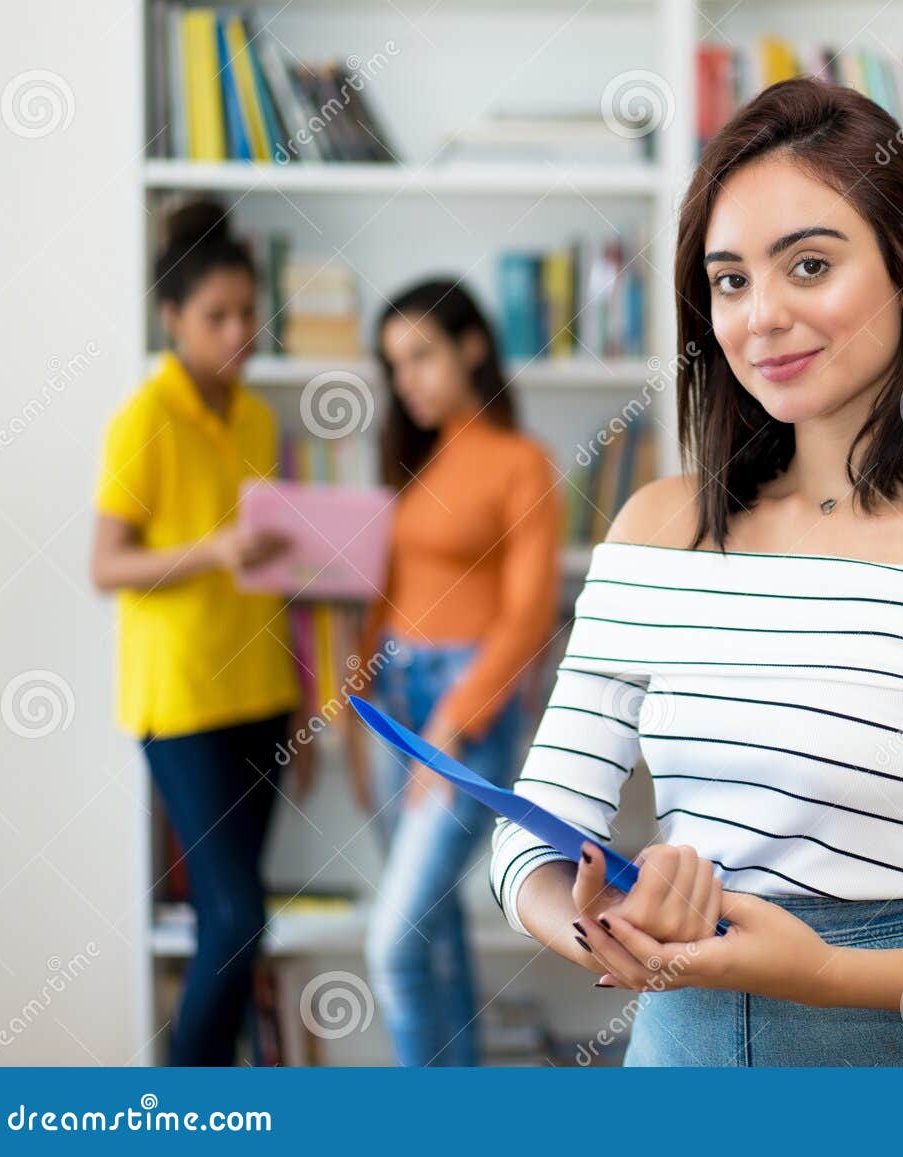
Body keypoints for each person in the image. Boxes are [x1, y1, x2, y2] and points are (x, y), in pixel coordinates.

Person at [488, 78, 903, 1067]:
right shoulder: (657, 530)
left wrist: (819, 972)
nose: (763, 316)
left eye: (808, 264)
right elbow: (527, 841)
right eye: (729, 280)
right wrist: (600, 927)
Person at [91, 199, 307, 1066]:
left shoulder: (257, 419)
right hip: (180, 700)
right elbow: (106, 564)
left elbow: (269, 572)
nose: (239, 330)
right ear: (172, 316)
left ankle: (211, 1099)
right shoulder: (145, 419)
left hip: (261, 695)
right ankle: (181, 1105)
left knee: (240, 920)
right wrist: (212, 549)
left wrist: (300, 695)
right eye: (217, 315)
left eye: (249, 311)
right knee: (233, 916)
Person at [346, 279, 563, 1066]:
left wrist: (451, 721)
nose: (409, 380)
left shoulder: (520, 462)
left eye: (423, 355)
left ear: (472, 345)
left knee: (394, 943)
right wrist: (354, 701)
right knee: (432, 931)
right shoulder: (415, 462)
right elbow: (386, 590)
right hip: (390, 703)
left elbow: (529, 618)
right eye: (396, 364)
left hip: (461, 714)